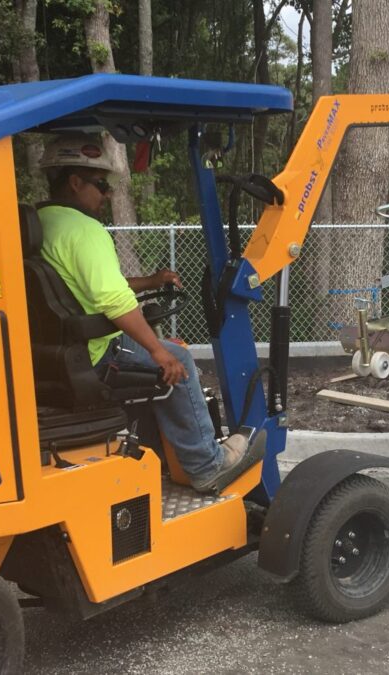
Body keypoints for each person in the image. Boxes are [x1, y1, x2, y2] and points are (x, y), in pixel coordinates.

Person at [36, 133, 261, 494]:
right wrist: (157, 351)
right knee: (179, 358)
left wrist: (151, 281)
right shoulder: (84, 230)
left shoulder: (40, 224)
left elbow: (84, 285)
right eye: (100, 185)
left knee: (164, 352)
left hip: (52, 355)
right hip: (94, 352)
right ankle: (207, 465)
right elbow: (112, 299)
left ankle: (158, 453)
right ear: (75, 182)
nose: (106, 194)